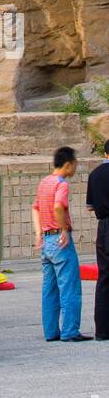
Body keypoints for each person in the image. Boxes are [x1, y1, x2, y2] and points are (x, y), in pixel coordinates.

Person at [32, 147, 91, 343]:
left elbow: (35, 208)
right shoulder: (61, 184)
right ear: (67, 165)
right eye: (75, 164)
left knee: (49, 289)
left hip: (46, 240)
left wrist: (39, 232)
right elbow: (58, 206)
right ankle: (70, 331)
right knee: (69, 287)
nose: (75, 167)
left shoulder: (44, 182)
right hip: (59, 240)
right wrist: (63, 229)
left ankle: (51, 332)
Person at [86, 140, 109, 341]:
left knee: (104, 278)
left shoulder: (95, 174)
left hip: (104, 228)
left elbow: (91, 206)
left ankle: (102, 330)